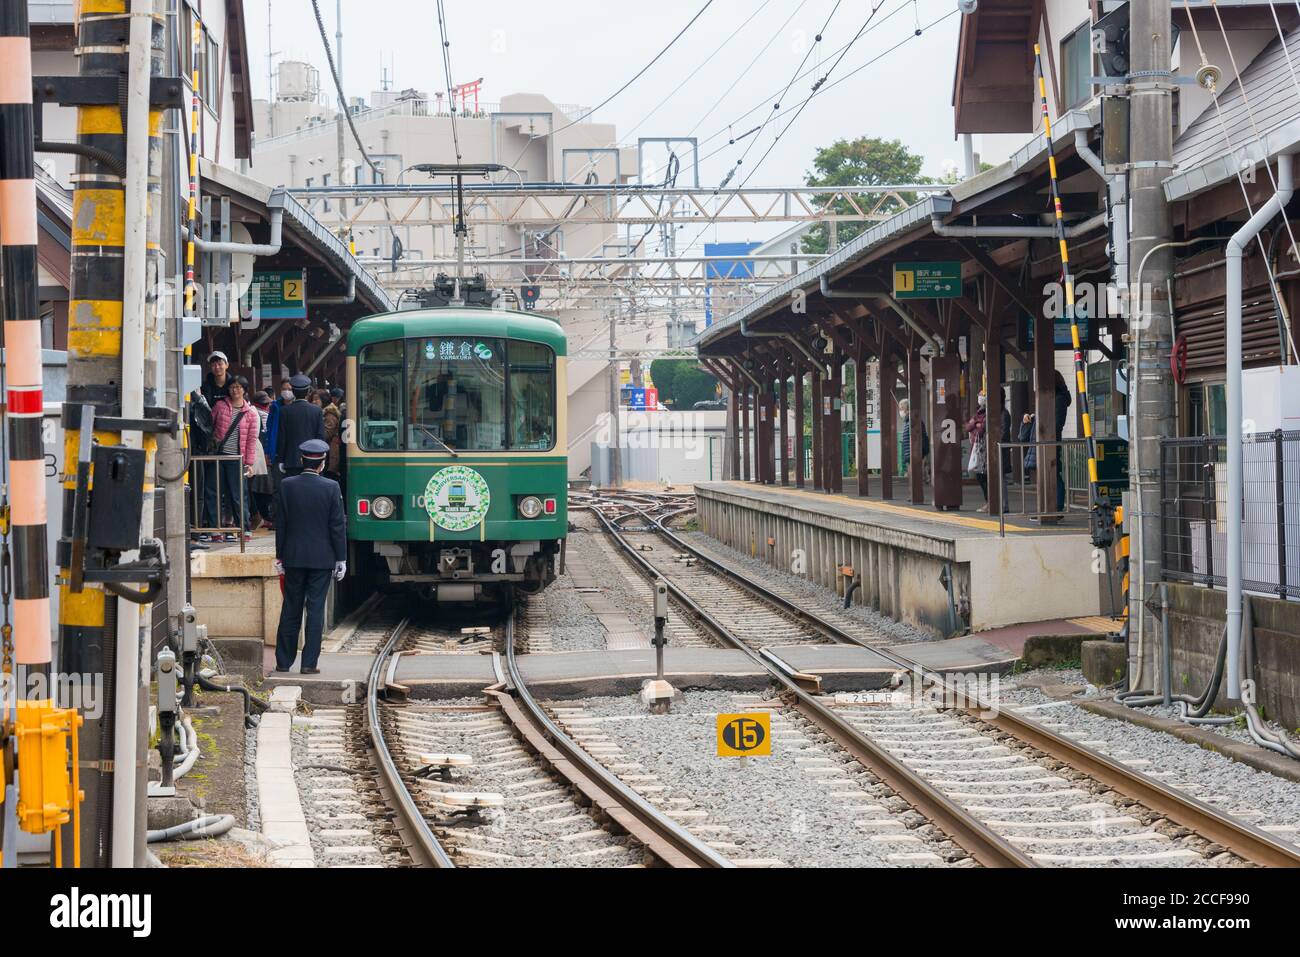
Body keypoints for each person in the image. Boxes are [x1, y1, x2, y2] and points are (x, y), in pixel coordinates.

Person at [273, 439, 346, 674]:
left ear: (302, 460)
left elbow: (281, 524)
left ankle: (283, 662)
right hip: (322, 559)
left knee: (291, 608)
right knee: (315, 610)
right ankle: (309, 664)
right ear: (322, 463)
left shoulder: (287, 485)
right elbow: (336, 526)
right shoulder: (331, 487)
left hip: (293, 557)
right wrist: (341, 558)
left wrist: (279, 556)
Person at [209, 376, 260, 540]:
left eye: (239, 387)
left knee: (238, 494)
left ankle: (243, 528)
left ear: (244, 390)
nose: (235, 390)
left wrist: (249, 463)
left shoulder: (251, 413)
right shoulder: (220, 406)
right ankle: (215, 530)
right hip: (218, 456)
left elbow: (252, 439)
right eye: (232, 387)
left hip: (237, 458)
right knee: (215, 493)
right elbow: (209, 426)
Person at [276, 374, 325, 476]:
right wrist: (322, 457)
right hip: (313, 459)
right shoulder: (317, 411)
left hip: (291, 460)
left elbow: (282, 438)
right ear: (308, 392)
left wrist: (281, 459)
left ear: (293, 391)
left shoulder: (284, 411)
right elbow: (320, 436)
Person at [249, 391, 276, 528]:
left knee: (258, 488)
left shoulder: (253, 412)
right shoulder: (262, 415)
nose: (267, 406)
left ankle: (261, 515)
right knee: (263, 488)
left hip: (257, 457)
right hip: (260, 457)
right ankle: (262, 516)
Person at [965, 394, 989, 511]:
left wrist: (976, 424)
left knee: (984, 476)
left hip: (985, 448)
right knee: (980, 475)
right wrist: (975, 423)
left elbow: (981, 430)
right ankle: (988, 502)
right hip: (978, 447)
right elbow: (968, 427)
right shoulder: (977, 413)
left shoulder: (988, 414)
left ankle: (989, 503)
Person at [1054, 370, 1073, 512]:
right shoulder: (1059, 398)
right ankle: (1054, 506)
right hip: (1054, 439)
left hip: (1053, 439)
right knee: (1054, 473)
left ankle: (1058, 506)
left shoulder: (1059, 399)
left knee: (1055, 473)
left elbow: (1057, 422)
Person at [317, 389, 343, 481]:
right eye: (312, 399)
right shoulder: (323, 413)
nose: (313, 402)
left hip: (330, 454)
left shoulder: (329, 415)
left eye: (316, 399)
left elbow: (326, 434)